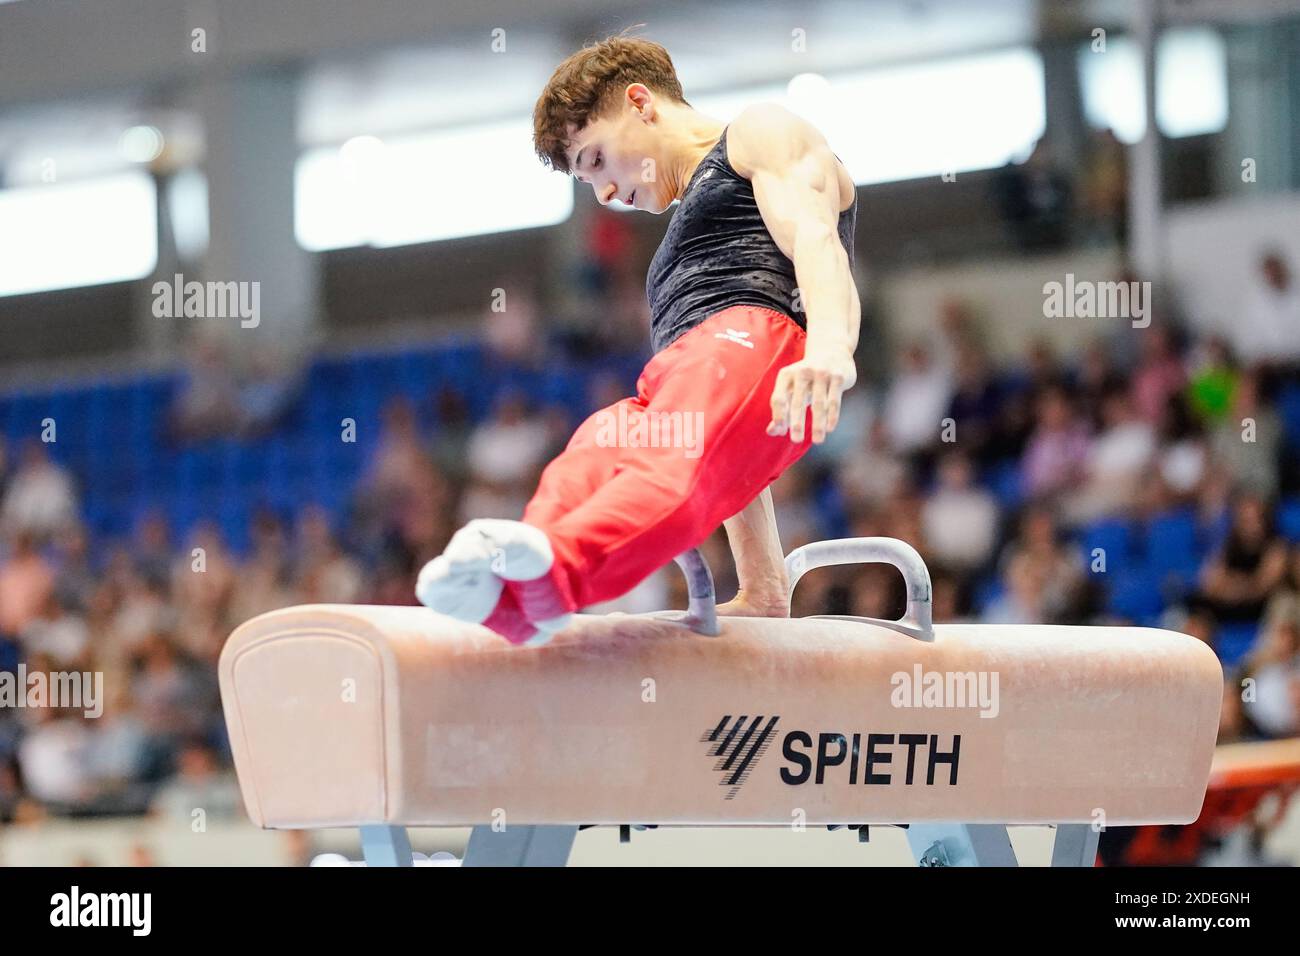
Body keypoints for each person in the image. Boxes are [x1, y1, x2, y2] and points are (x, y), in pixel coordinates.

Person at [416, 34, 860, 644]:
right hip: (696, 373)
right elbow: (727, 457)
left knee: (669, 464)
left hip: (763, 340)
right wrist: (762, 587)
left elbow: (815, 238)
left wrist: (832, 346)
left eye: (596, 161)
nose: (601, 192)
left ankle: (555, 580)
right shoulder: (672, 253)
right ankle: (526, 560)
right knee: (600, 443)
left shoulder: (760, 130)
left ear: (639, 102)